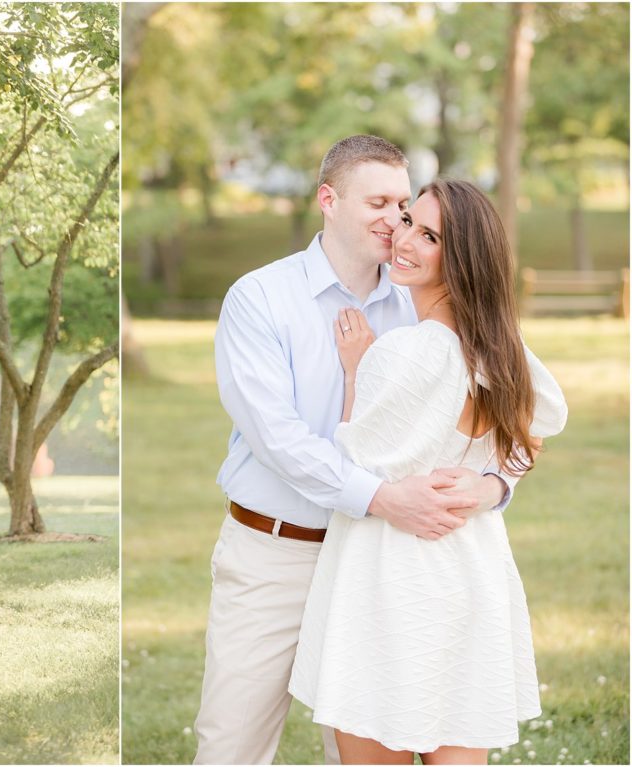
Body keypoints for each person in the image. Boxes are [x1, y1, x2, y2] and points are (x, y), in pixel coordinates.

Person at [195, 136, 519, 765]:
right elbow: (277, 438)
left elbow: (505, 418)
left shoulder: (426, 298)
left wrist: (494, 487)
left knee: (376, 744)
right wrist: (381, 497)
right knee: (231, 744)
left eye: (403, 205)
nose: (395, 221)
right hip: (277, 554)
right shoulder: (260, 298)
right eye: (378, 201)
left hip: (385, 563)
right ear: (328, 200)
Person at [288, 180, 567, 764]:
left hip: (391, 577)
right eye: (410, 220)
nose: (404, 238)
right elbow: (537, 426)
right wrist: (491, 483)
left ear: (461, 258)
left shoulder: (403, 352)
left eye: (430, 235)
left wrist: (358, 371)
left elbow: (350, 469)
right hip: (472, 570)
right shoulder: (500, 348)